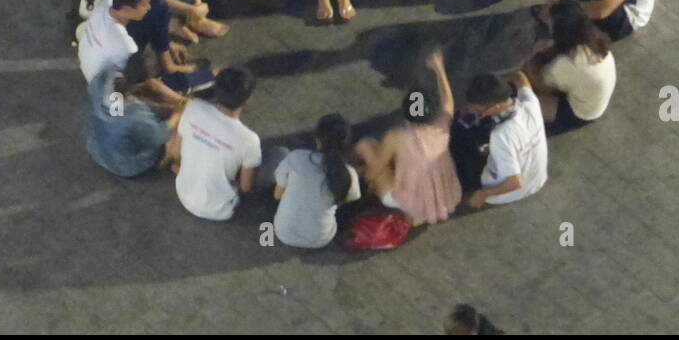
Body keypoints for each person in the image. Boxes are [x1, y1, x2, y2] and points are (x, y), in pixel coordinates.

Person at [355, 50, 462, 226]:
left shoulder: (398, 136)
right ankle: (422, 211)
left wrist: (368, 177)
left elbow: (376, 168)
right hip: (445, 195)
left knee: (365, 145)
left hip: (409, 199)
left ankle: (408, 211)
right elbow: (448, 102)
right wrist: (439, 69)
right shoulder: (442, 124)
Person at [171, 66, 285, 221]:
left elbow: (176, 153)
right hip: (220, 210)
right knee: (280, 153)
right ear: (248, 98)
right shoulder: (249, 139)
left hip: (183, 193)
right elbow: (246, 187)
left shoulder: (193, 107)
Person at [77, 0, 201, 107]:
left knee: (158, 6)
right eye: (144, 5)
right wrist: (183, 103)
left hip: (95, 62)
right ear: (127, 9)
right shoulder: (125, 46)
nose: (148, 7)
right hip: (109, 94)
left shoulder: (105, 5)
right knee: (159, 111)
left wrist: (167, 44)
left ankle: (168, 64)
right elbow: (144, 80)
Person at [523, 0, 616, 133]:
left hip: (582, 111)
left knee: (525, 103)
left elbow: (541, 85)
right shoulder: (596, 41)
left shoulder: (570, 63)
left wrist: (531, 55)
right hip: (592, 95)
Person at [86, 52, 184, 178]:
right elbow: (159, 136)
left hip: (97, 149)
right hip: (124, 166)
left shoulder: (104, 77)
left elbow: (117, 108)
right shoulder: (136, 116)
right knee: (178, 133)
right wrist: (178, 113)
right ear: (143, 82)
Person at [272, 113, 361, 249]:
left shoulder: (296, 157)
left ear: (317, 139)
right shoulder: (348, 174)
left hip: (284, 233)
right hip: (321, 238)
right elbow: (352, 198)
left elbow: (277, 195)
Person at [461, 69, 548, 208]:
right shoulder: (531, 102)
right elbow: (520, 76)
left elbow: (514, 182)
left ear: (496, 106)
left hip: (507, 192)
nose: (479, 113)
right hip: (537, 180)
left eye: (480, 111)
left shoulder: (501, 136)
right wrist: (499, 80)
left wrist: (481, 195)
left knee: (461, 142)